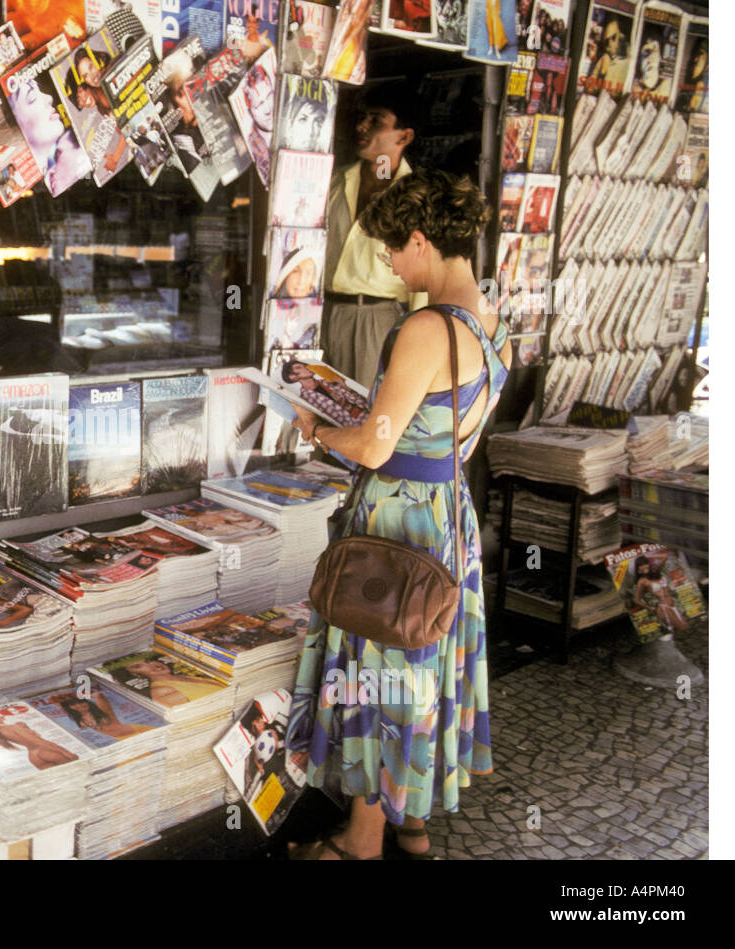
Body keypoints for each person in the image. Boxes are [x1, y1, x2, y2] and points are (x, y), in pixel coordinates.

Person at [285, 169, 511, 860]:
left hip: (398, 520)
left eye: (391, 249)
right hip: (446, 510)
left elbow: (377, 444)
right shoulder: (486, 316)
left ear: (420, 239)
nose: (387, 262)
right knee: (423, 661)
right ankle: (411, 823)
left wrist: (318, 430)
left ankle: (360, 841)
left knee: (382, 671)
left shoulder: (425, 326)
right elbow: (427, 423)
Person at [322, 83, 427, 392]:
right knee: (317, 409)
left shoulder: (417, 199)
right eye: (362, 118)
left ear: (404, 137)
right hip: (323, 313)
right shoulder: (335, 181)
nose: (361, 127)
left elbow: (423, 285)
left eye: (376, 121)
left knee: (367, 414)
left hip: (378, 321)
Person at [0, 709, 78, 770]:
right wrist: (65, 752)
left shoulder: (1, 732)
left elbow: (26, 740)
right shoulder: (12, 727)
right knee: (73, 772)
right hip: (44, 751)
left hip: (33, 756)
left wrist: (24, 727)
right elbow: (38, 742)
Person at [590, 15, 630, 93]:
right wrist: (601, 74)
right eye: (607, 40)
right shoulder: (604, 59)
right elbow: (589, 89)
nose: (610, 43)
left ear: (621, 36)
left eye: (614, 37)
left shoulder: (629, 62)